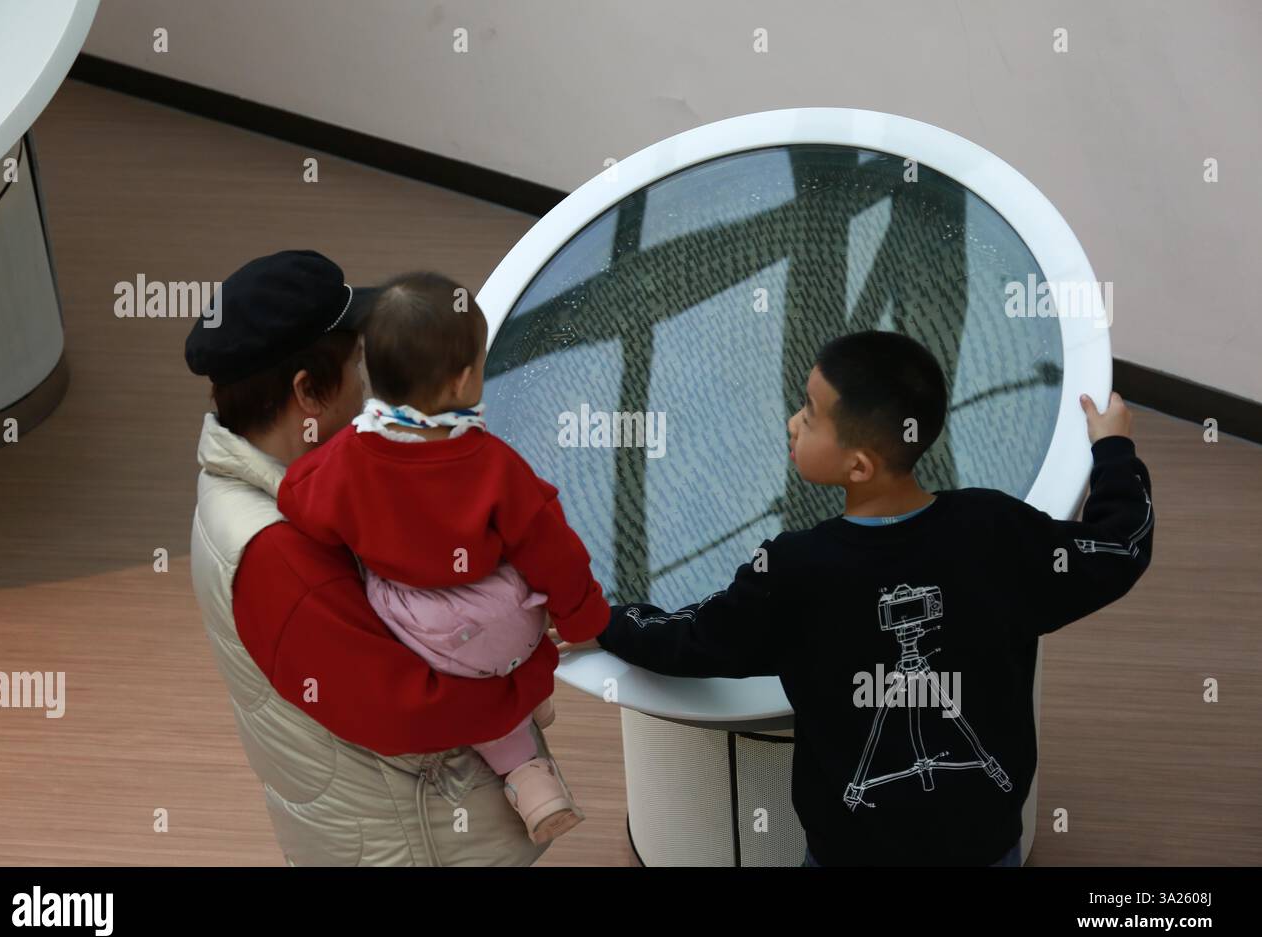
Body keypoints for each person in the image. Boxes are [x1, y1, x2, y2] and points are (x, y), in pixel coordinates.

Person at [584, 331, 1154, 866]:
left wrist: (602, 619)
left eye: (808, 414)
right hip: (984, 843)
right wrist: (1114, 450)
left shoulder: (792, 570)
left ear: (858, 465)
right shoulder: (993, 528)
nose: (792, 423)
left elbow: (689, 639)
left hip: (849, 852)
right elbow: (1119, 548)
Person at [185, 250, 560, 866]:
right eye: (356, 367)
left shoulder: (274, 481)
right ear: (308, 392)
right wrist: (530, 662)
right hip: (415, 842)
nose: (367, 386)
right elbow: (408, 712)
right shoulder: (274, 551)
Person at [276, 272, 611, 844]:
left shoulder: (345, 461)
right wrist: (584, 619)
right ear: (463, 380)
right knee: (510, 646)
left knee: (473, 689)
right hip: (508, 620)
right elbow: (553, 550)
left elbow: (293, 498)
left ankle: (531, 783)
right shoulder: (495, 464)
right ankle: (530, 719)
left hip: (421, 628)